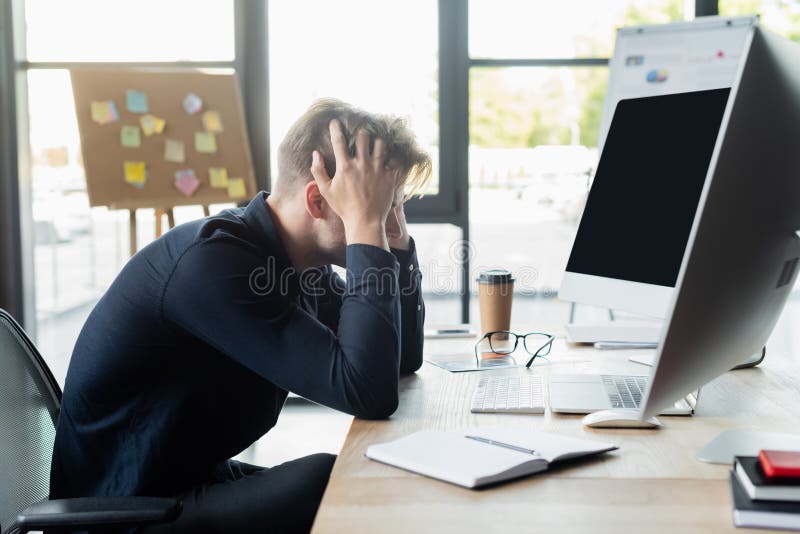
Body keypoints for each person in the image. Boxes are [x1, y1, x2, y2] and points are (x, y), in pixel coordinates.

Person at [49, 98, 432, 533]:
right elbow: (367, 391)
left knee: (357, 479)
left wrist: (394, 239)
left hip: (182, 482)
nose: (384, 223)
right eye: (378, 208)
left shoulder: (296, 264)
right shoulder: (216, 264)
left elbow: (399, 361)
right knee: (326, 485)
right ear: (318, 201)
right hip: (121, 512)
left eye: (390, 207)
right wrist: (366, 226)